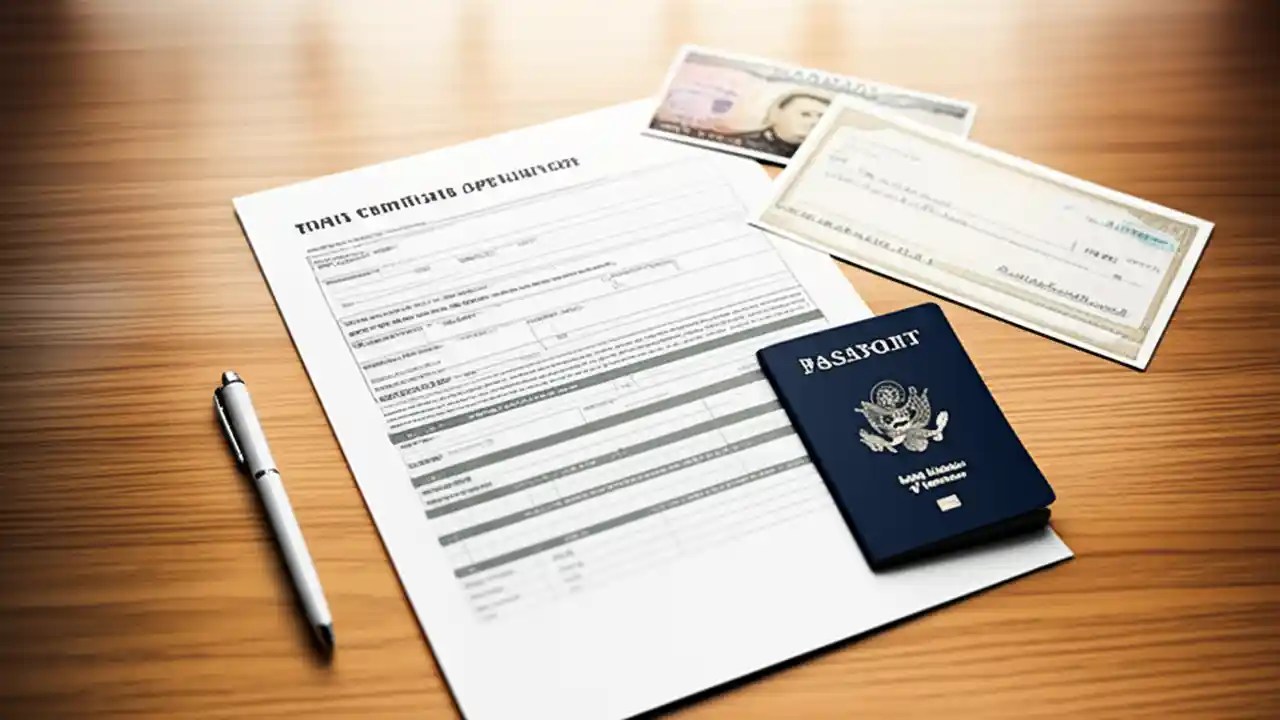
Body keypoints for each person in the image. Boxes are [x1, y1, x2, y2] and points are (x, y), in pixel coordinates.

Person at [726, 91, 830, 157]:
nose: (814, 122)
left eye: (821, 117)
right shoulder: (738, 143)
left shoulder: (820, 154)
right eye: (805, 114)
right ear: (776, 114)